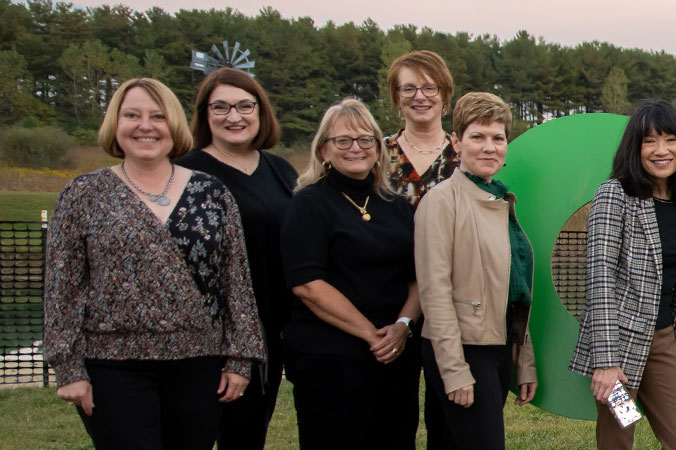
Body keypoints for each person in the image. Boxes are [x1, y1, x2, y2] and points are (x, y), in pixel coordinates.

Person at [44, 77, 266, 449]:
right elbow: (62, 288)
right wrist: (68, 368)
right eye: (132, 115)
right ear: (116, 124)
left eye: (158, 116)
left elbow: (237, 282)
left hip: (200, 365)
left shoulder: (211, 192)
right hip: (112, 366)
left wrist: (240, 360)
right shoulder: (84, 194)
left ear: (174, 125)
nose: (145, 126)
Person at [279, 98, 422, 449]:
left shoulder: (396, 205)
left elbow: (420, 275)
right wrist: (372, 336)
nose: (355, 148)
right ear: (324, 150)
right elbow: (308, 285)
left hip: (395, 359)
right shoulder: (308, 204)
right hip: (330, 361)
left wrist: (402, 326)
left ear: (378, 148)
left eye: (365, 139)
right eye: (343, 140)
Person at [569, 99, 676, 450]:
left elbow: (667, 266)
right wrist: (606, 363)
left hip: (661, 343)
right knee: (619, 438)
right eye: (649, 141)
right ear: (635, 148)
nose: (661, 150)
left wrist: (673, 300)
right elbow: (599, 279)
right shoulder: (615, 195)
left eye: (670, 139)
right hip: (619, 348)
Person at [173, 66, 297, 450]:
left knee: (245, 436)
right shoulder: (183, 171)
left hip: (268, 330)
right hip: (204, 333)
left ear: (261, 113)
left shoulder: (280, 170)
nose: (234, 116)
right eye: (221, 107)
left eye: (245, 106)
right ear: (204, 115)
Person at [416, 92, 537, 450]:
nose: (489, 147)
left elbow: (514, 290)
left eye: (497, 138)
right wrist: (453, 370)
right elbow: (434, 293)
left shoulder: (499, 199)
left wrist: (522, 361)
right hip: (461, 350)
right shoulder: (440, 202)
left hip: (495, 349)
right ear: (456, 142)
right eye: (477, 137)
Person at [383, 50, 460, 208]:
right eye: (408, 88)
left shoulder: (463, 155)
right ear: (397, 97)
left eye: (429, 88)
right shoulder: (377, 154)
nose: (419, 96)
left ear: (444, 94)